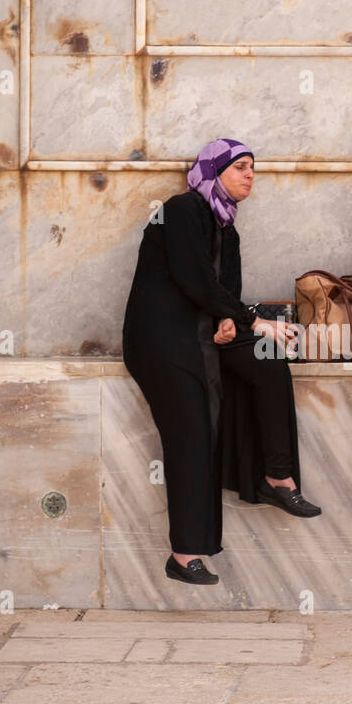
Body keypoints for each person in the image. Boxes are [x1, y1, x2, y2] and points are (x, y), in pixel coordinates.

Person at [122, 138, 321, 586]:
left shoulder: (227, 228)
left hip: (203, 331)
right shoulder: (182, 210)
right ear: (212, 172)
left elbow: (224, 290)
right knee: (192, 427)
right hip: (163, 339)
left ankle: (276, 476)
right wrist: (251, 319)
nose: (250, 175)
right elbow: (193, 278)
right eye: (241, 167)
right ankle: (184, 553)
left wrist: (230, 323)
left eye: (253, 167)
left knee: (267, 363)